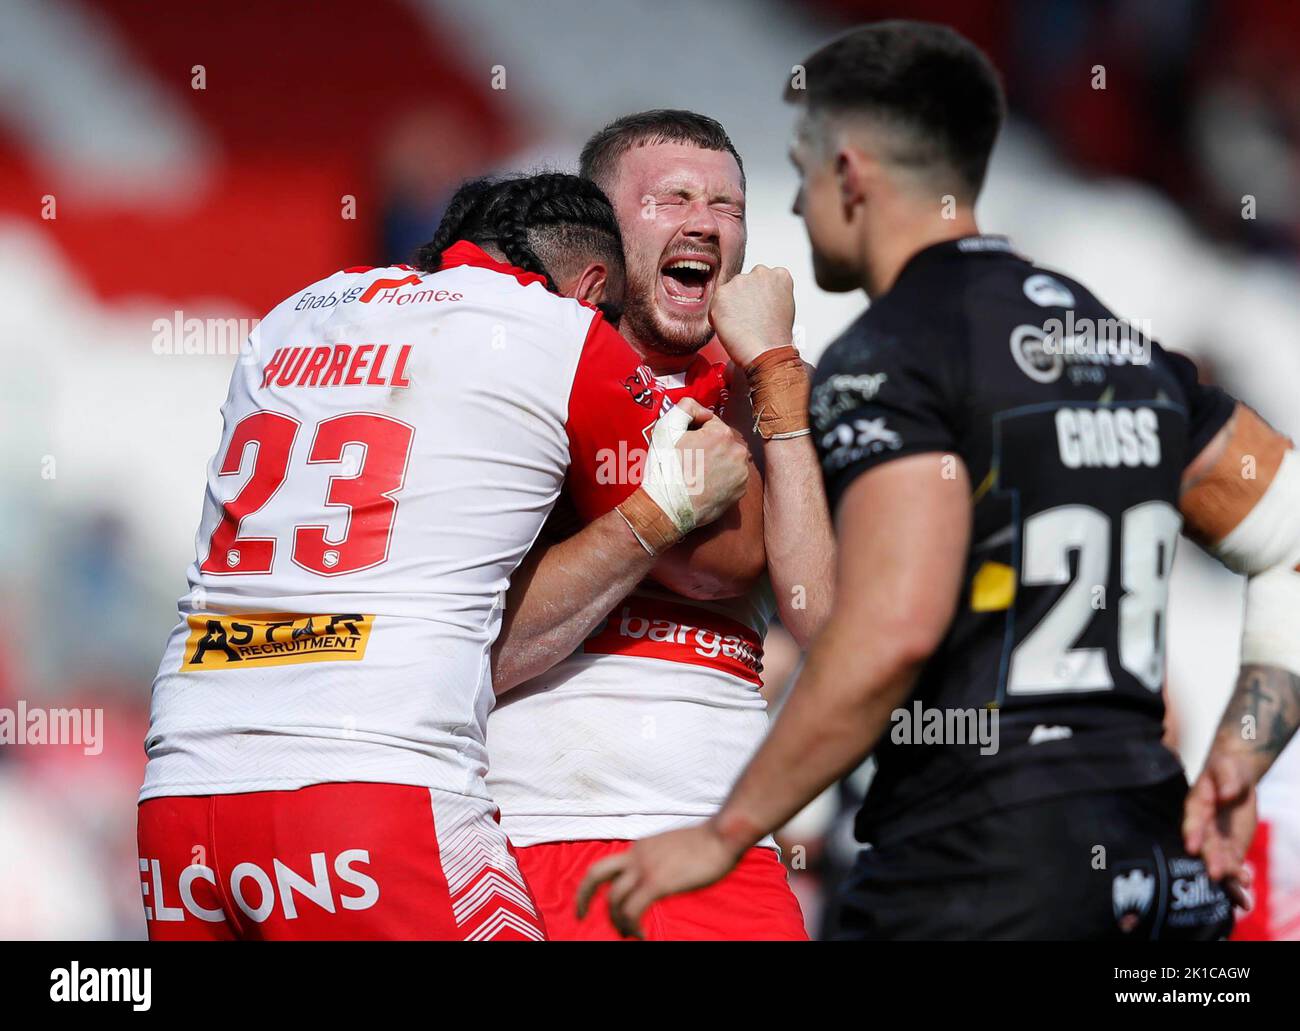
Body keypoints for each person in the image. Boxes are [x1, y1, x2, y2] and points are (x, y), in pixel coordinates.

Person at [579, 21, 1299, 941]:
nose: (796, 209)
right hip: (1154, 883)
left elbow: (887, 627)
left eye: (801, 174)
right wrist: (1240, 751)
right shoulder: (1120, 349)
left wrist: (726, 830)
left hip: (972, 876)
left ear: (850, 174)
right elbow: (1293, 539)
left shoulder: (894, 360)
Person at [135, 173, 750, 940]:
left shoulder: (296, 312)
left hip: (179, 796)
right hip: (369, 788)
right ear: (593, 284)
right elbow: (723, 559)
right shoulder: (558, 327)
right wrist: (751, 387)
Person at [485, 111, 834, 940]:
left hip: (716, 845)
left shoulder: (768, 386)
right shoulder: (530, 372)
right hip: (532, 831)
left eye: (728, 205)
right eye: (671, 198)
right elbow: (480, 653)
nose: (704, 223)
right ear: (601, 233)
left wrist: (777, 375)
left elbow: (822, 616)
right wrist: (658, 521)